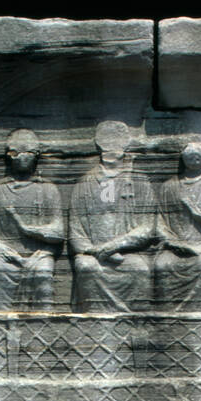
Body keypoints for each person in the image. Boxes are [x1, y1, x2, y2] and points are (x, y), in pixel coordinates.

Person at [69, 120, 156, 313]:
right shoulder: (85, 183)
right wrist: (95, 250)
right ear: (98, 145)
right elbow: (75, 232)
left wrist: (115, 246)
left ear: (125, 145)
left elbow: (148, 227)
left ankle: (136, 324)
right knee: (85, 266)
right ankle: (93, 321)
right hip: (93, 255)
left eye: (117, 141)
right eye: (106, 142)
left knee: (140, 269)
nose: (112, 147)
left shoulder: (139, 181)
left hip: (127, 254)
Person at [0, 129, 64, 311]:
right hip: (4, 253)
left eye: (28, 152)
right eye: (16, 152)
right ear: (9, 156)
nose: (22, 157)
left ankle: (43, 323)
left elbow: (58, 231)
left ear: (36, 155)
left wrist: (28, 229)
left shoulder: (48, 189)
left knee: (44, 271)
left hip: (38, 254)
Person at [155, 141, 201, 311]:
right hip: (176, 247)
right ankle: (167, 317)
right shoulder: (168, 187)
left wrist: (199, 214)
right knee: (161, 265)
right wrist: (177, 244)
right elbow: (160, 224)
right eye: (191, 155)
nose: (195, 158)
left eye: (199, 156)